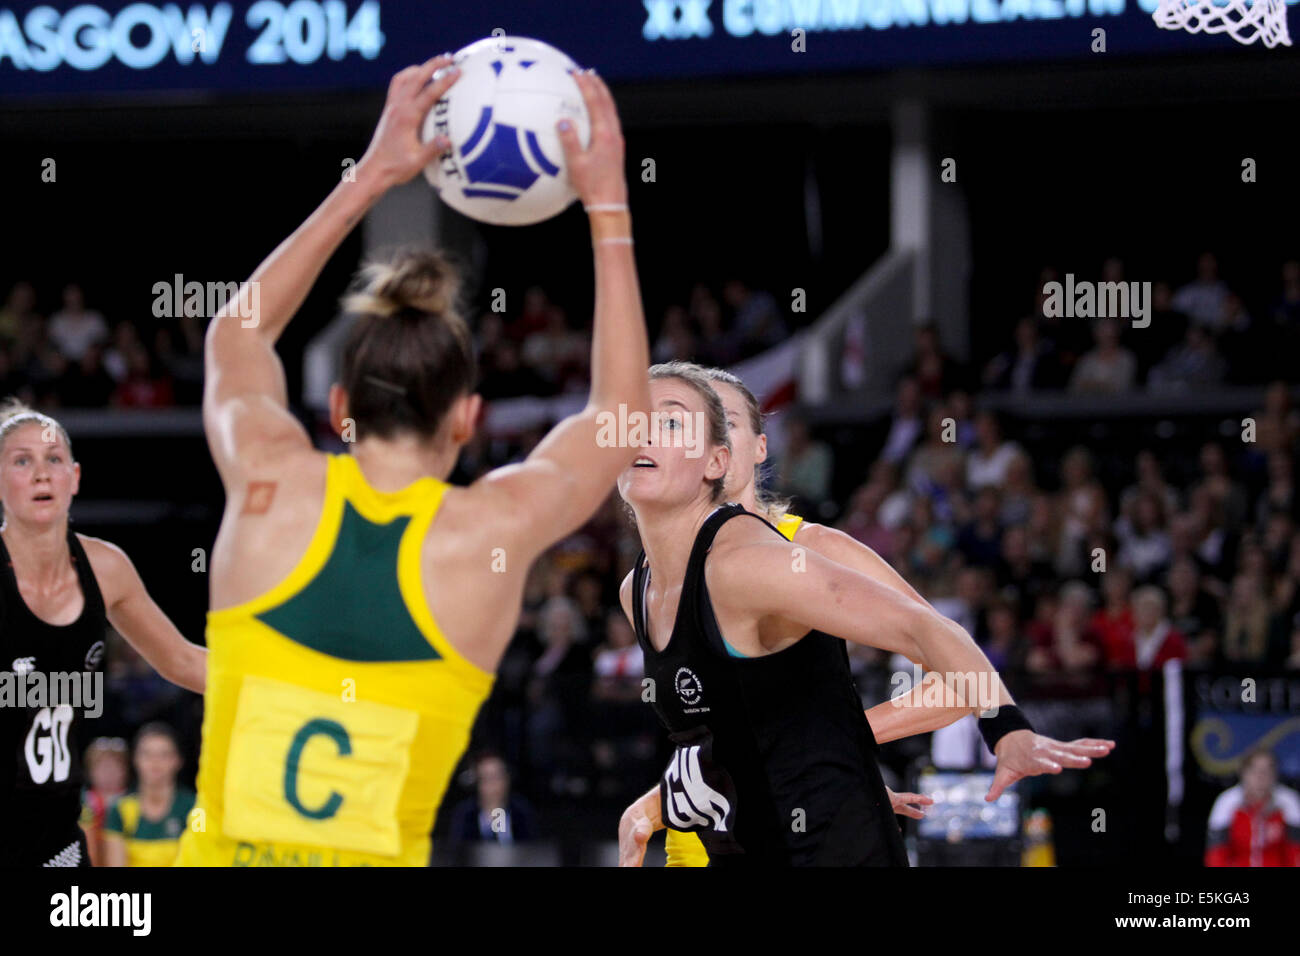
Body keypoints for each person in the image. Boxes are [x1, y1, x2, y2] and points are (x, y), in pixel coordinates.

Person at [174, 62, 650, 866]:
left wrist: (371, 176)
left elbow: (238, 332)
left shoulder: (267, 482)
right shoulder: (490, 531)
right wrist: (608, 207)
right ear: (469, 420)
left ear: (336, 409)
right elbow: (617, 417)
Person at [616, 363, 1113, 866]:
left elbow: (944, 661)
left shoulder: (802, 548)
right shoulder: (650, 580)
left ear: (748, 450)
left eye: (718, 418)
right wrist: (655, 804)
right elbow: (714, 731)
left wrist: (842, 747)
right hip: (712, 827)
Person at [0, 401, 206, 867]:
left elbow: (184, 662)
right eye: (21, 461)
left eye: (53, 460)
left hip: (56, 836)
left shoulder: (106, 567)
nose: (41, 474)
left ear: (74, 478)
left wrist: (286, 680)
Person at [102, 723, 196, 866]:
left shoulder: (196, 807)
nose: (155, 761)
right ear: (135, 759)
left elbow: (201, 854)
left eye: (164, 755)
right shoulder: (119, 809)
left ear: (178, 761)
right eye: (147, 754)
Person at [1205, 748, 1300, 867]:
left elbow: (1296, 853)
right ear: (1243, 773)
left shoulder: (1288, 802)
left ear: (1275, 774)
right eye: (1254, 771)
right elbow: (1216, 854)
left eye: (1267, 771)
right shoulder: (1226, 802)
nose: (1261, 777)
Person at [446, 752, 538, 845]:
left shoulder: (522, 812)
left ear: (508, 778)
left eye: (498, 776)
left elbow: (535, 850)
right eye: (487, 778)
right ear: (476, 783)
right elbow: (457, 851)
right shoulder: (464, 815)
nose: (493, 784)